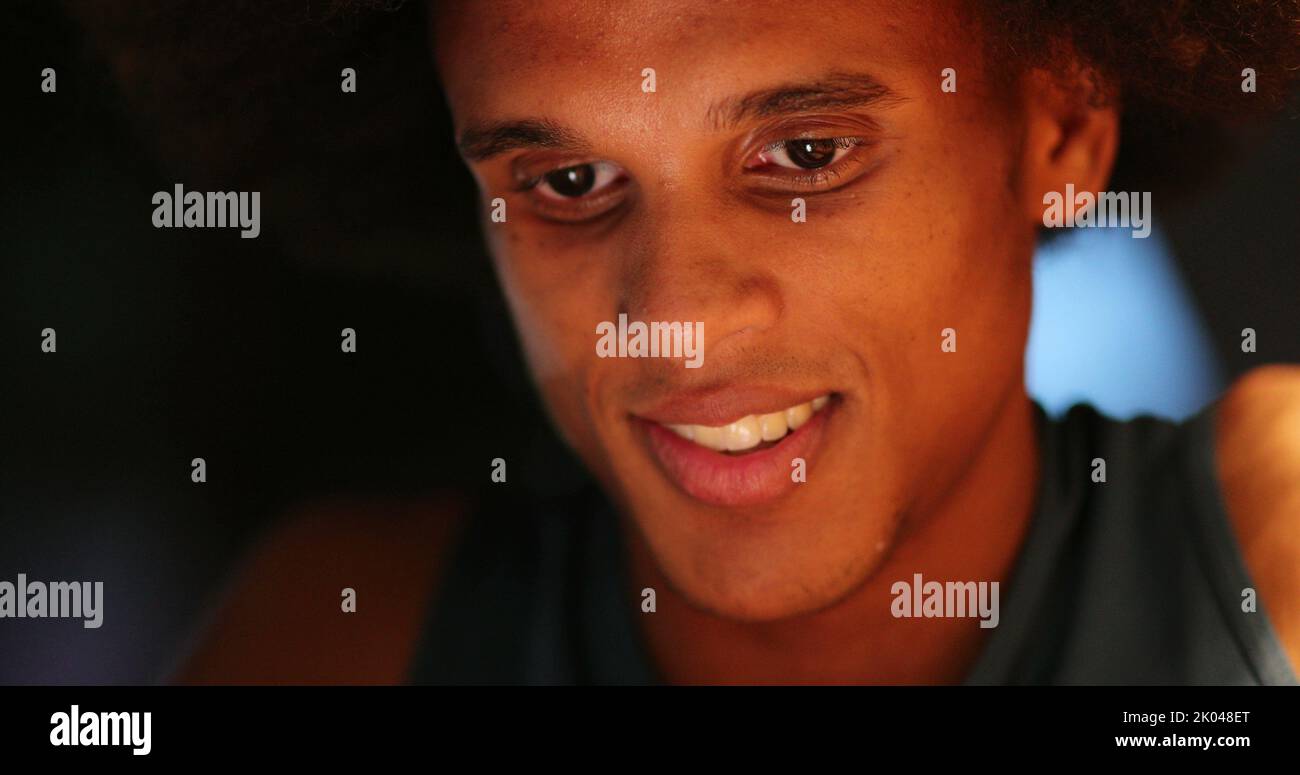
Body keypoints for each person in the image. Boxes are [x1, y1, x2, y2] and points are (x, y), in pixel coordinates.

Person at [178, 0, 1300, 684]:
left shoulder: (1271, 564)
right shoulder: (346, 640)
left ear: (1060, 133)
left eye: (807, 156)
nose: (678, 317)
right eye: (568, 182)